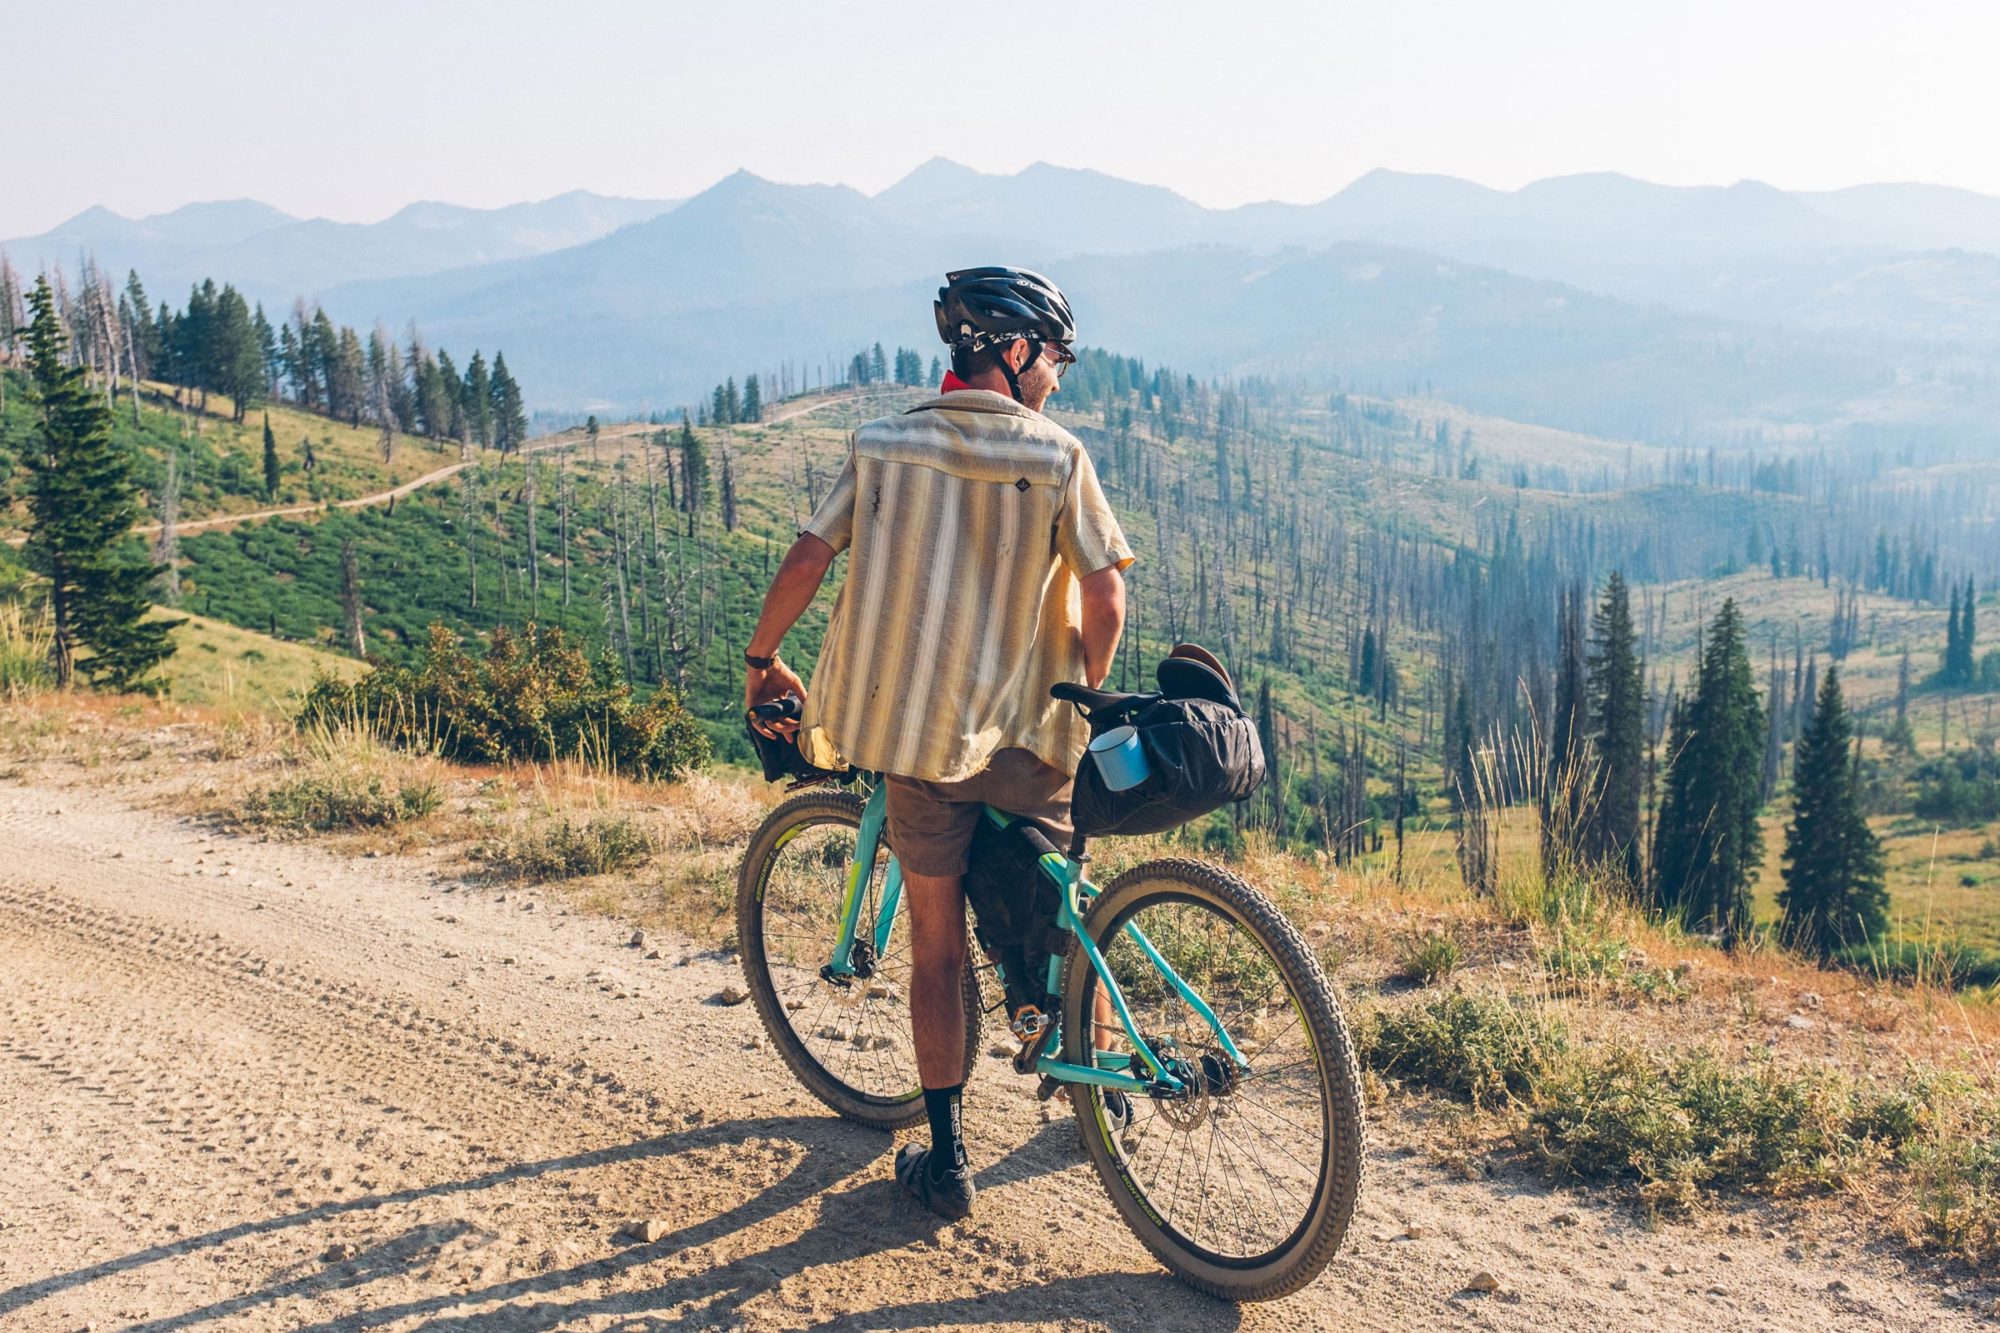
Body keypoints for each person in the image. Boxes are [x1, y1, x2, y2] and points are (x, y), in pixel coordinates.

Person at [742, 266, 1133, 1219]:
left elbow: (808, 556)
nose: (1058, 377)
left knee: (934, 950)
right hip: (1028, 734)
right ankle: (1098, 1075)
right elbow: (1107, 596)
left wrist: (763, 659)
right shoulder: (1055, 457)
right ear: (1012, 351)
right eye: (1053, 358)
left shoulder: (882, 445)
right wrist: (1082, 694)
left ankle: (947, 1158)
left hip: (916, 740)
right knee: (1059, 900)